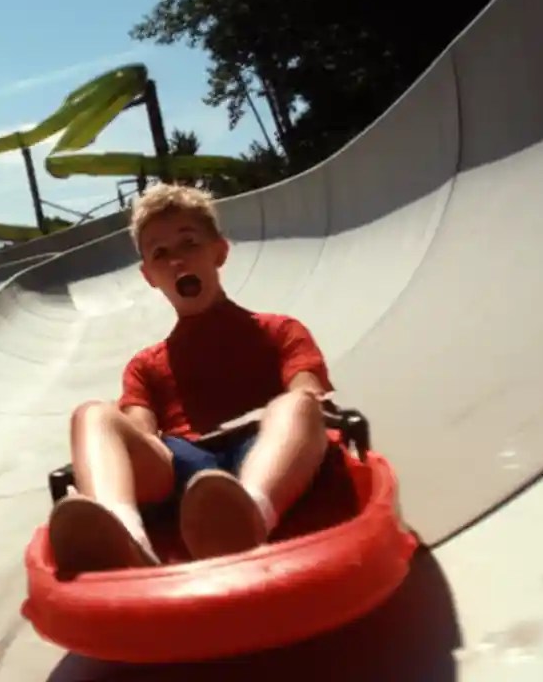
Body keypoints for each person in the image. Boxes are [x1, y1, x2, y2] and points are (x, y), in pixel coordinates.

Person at [48, 183, 336, 575]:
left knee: (299, 404)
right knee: (92, 415)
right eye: (160, 254)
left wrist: (299, 404)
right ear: (149, 275)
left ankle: (247, 516)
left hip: (266, 450)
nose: (177, 263)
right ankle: (123, 534)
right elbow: (140, 434)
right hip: (186, 471)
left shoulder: (279, 331)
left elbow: (309, 390)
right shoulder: (146, 366)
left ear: (219, 252)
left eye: (189, 244)